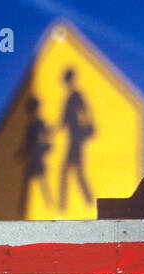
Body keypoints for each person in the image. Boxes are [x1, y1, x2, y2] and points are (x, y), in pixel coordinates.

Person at [58, 67, 94, 210]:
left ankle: (65, 205)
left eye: (68, 80)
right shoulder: (69, 98)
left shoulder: (76, 96)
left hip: (77, 139)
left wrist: (86, 127)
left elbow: (84, 112)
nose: (67, 83)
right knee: (73, 171)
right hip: (73, 139)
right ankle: (86, 201)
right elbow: (63, 121)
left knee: (72, 171)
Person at [15, 95, 52, 213]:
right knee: (29, 183)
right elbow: (27, 145)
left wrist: (41, 149)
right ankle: (22, 210)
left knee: (43, 183)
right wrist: (20, 154)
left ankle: (50, 206)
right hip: (32, 159)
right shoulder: (30, 126)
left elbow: (46, 141)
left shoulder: (39, 124)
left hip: (37, 159)